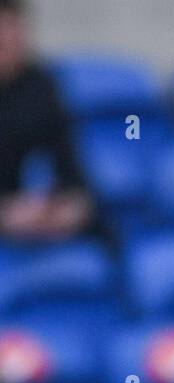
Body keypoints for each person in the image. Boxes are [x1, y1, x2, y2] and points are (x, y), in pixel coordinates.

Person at [0, 0, 98, 241]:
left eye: (12, 30)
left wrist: (72, 208)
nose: (6, 40)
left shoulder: (43, 88)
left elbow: (69, 164)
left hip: (44, 217)